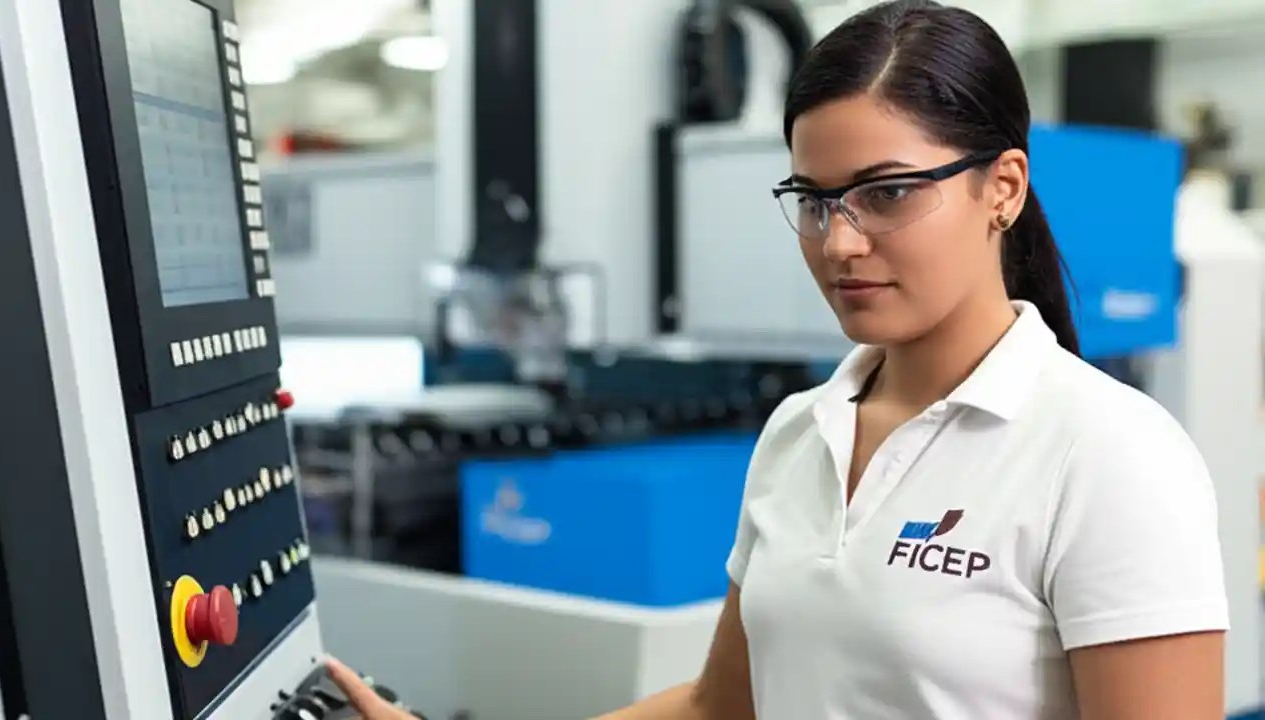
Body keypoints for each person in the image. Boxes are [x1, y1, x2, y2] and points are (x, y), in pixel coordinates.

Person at [327, 1, 1230, 717]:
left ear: (1003, 187)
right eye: (815, 200)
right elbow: (722, 706)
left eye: (886, 194)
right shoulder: (801, 433)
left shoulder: (1109, 453)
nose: (840, 244)